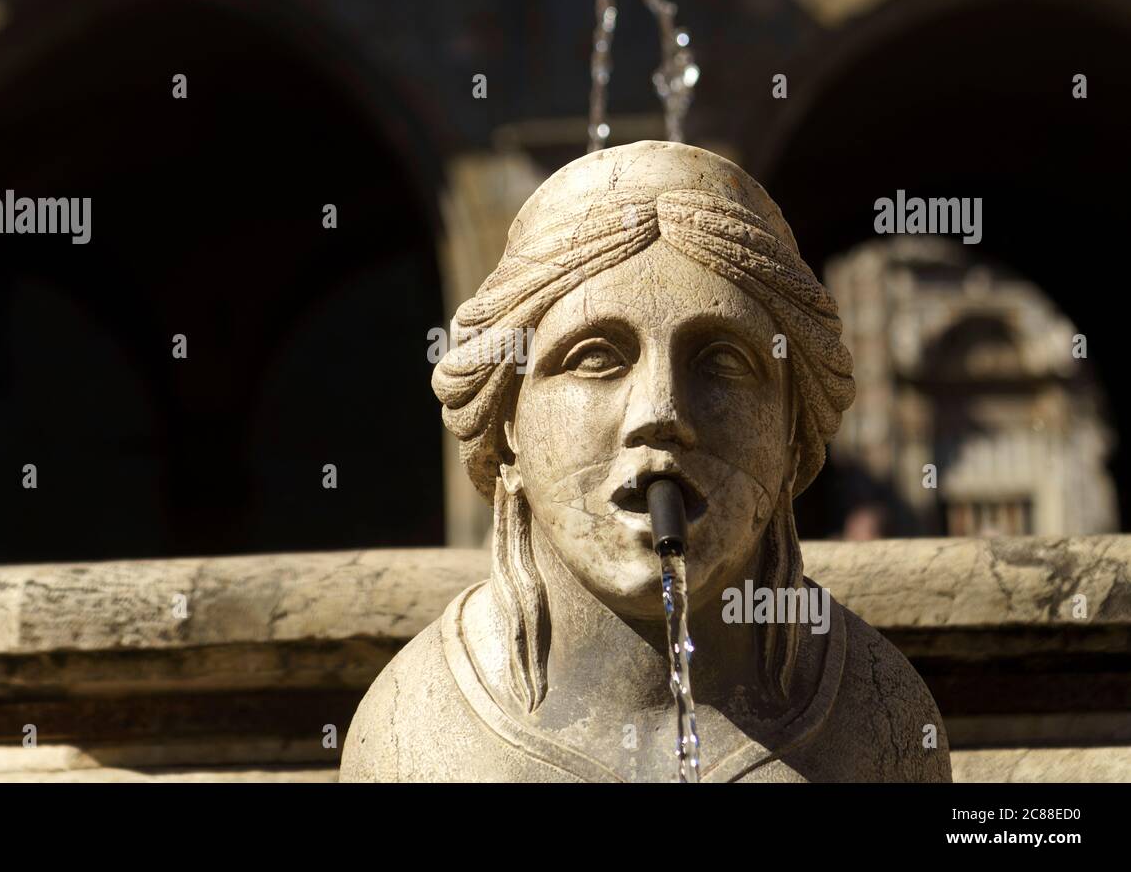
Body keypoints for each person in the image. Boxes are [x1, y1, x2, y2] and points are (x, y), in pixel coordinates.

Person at [340, 141, 951, 781]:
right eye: (595, 357)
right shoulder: (416, 737)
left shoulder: (878, 726)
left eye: (722, 361)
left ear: (793, 431)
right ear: (510, 419)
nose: (660, 411)